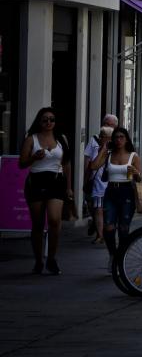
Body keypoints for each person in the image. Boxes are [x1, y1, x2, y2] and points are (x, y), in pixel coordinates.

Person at [19, 108, 72, 275]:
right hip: (36, 181)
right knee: (38, 223)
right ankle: (38, 260)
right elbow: (21, 163)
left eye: (52, 119)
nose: (49, 122)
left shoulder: (61, 138)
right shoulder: (31, 139)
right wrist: (34, 157)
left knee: (55, 220)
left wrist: (69, 187)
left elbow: (67, 164)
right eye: (45, 120)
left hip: (56, 181)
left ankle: (51, 258)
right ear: (39, 122)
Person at [92, 127, 141, 274]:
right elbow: (93, 166)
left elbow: (140, 178)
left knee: (123, 228)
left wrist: (136, 173)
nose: (119, 140)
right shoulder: (109, 155)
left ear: (126, 139)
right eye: (116, 137)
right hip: (111, 191)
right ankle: (113, 255)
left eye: (121, 137)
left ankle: (121, 258)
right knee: (108, 227)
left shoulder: (133, 156)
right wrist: (103, 149)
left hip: (127, 192)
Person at [84, 115, 116, 243]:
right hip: (98, 181)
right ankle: (100, 234)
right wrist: (86, 177)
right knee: (97, 208)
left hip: (112, 183)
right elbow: (90, 163)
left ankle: (104, 231)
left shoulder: (119, 143)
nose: (107, 126)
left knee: (107, 209)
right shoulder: (94, 142)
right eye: (106, 123)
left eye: (110, 124)